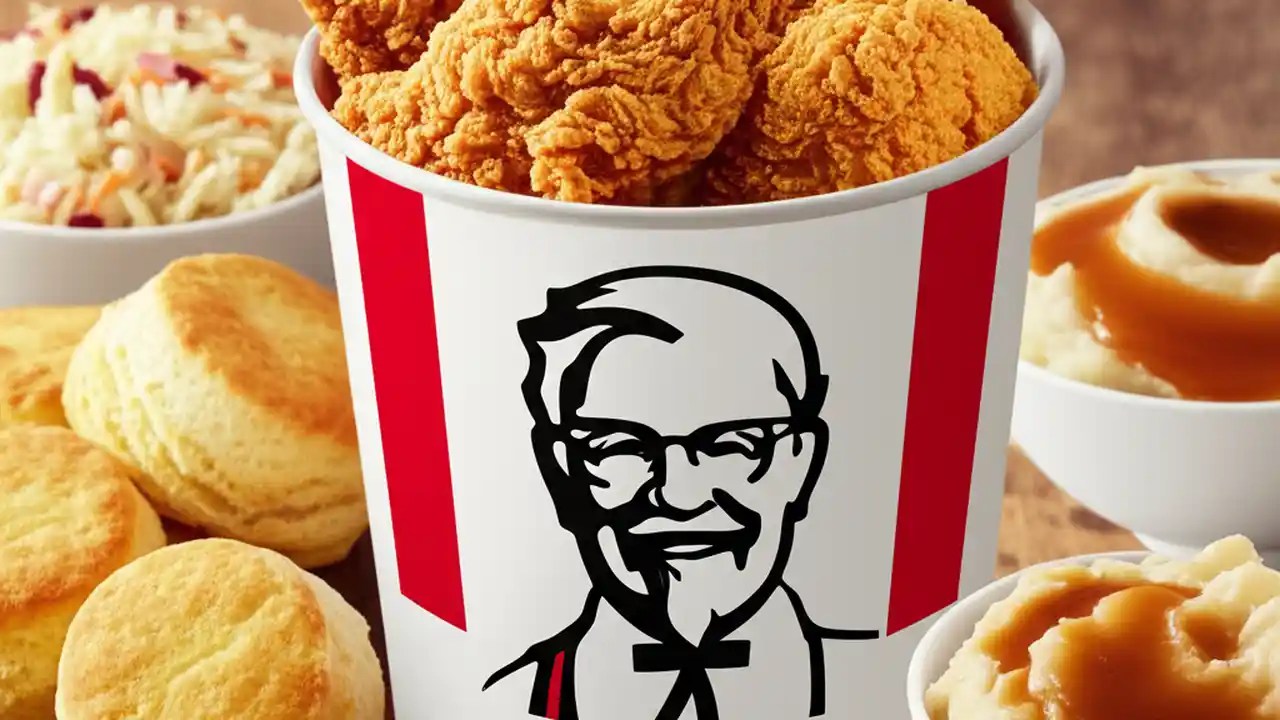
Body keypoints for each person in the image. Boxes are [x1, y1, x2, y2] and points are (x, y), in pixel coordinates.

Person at [485, 266, 878, 720]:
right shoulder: (499, 698)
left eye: (732, 445)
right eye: (621, 447)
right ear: (560, 474)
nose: (680, 496)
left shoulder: (903, 678)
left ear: (800, 462)